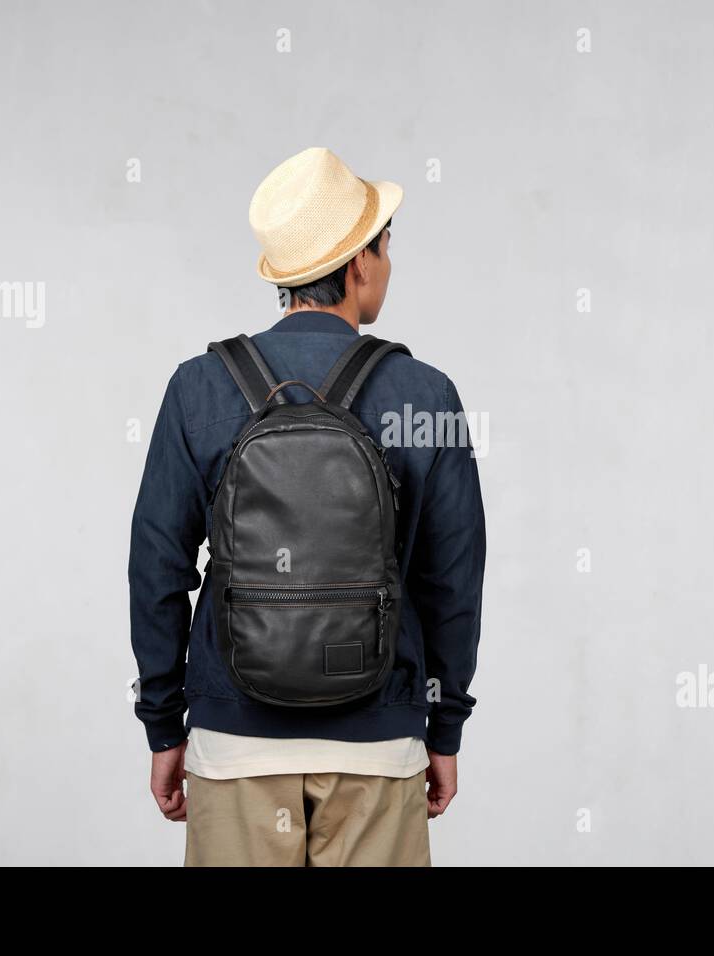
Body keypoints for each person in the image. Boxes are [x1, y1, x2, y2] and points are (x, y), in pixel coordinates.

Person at [128, 146, 486, 866]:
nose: (387, 263)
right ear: (359, 262)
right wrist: (442, 730)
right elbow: (453, 583)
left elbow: (158, 567)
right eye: (386, 246)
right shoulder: (426, 394)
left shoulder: (198, 387)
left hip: (234, 747)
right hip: (380, 748)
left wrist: (165, 726)